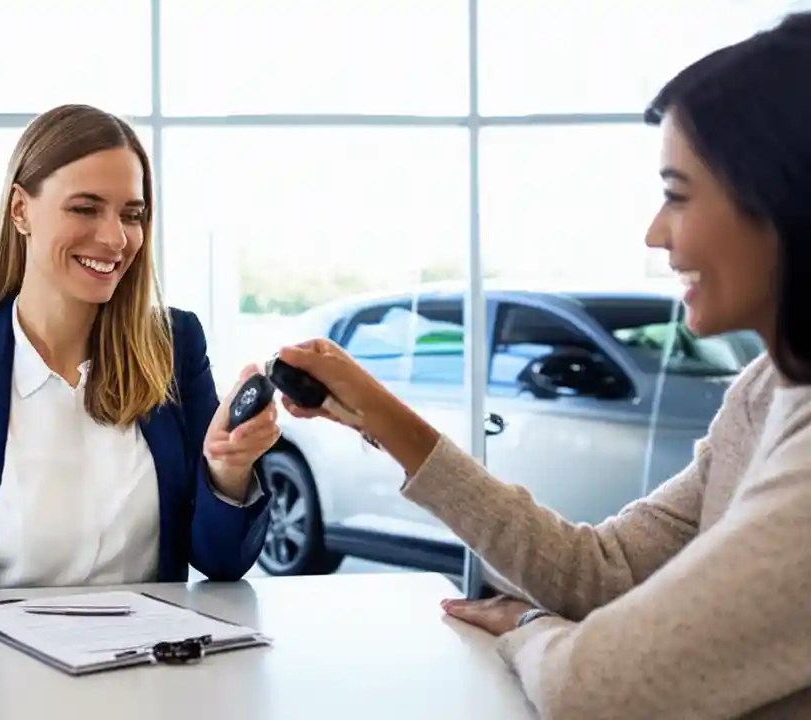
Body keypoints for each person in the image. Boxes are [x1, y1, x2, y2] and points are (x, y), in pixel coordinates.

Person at [277, 13, 811, 720]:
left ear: (784, 199)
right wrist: (380, 414)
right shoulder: (765, 390)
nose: (656, 234)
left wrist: (531, 632)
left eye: (677, 194)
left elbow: (600, 686)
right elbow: (603, 573)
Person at [0, 104, 278, 592]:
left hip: (146, 661)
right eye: (85, 208)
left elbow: (222, 561)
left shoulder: (173, 347)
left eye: (132, 215)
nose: (114, 238)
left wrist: (227, 470)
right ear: (21, 209)